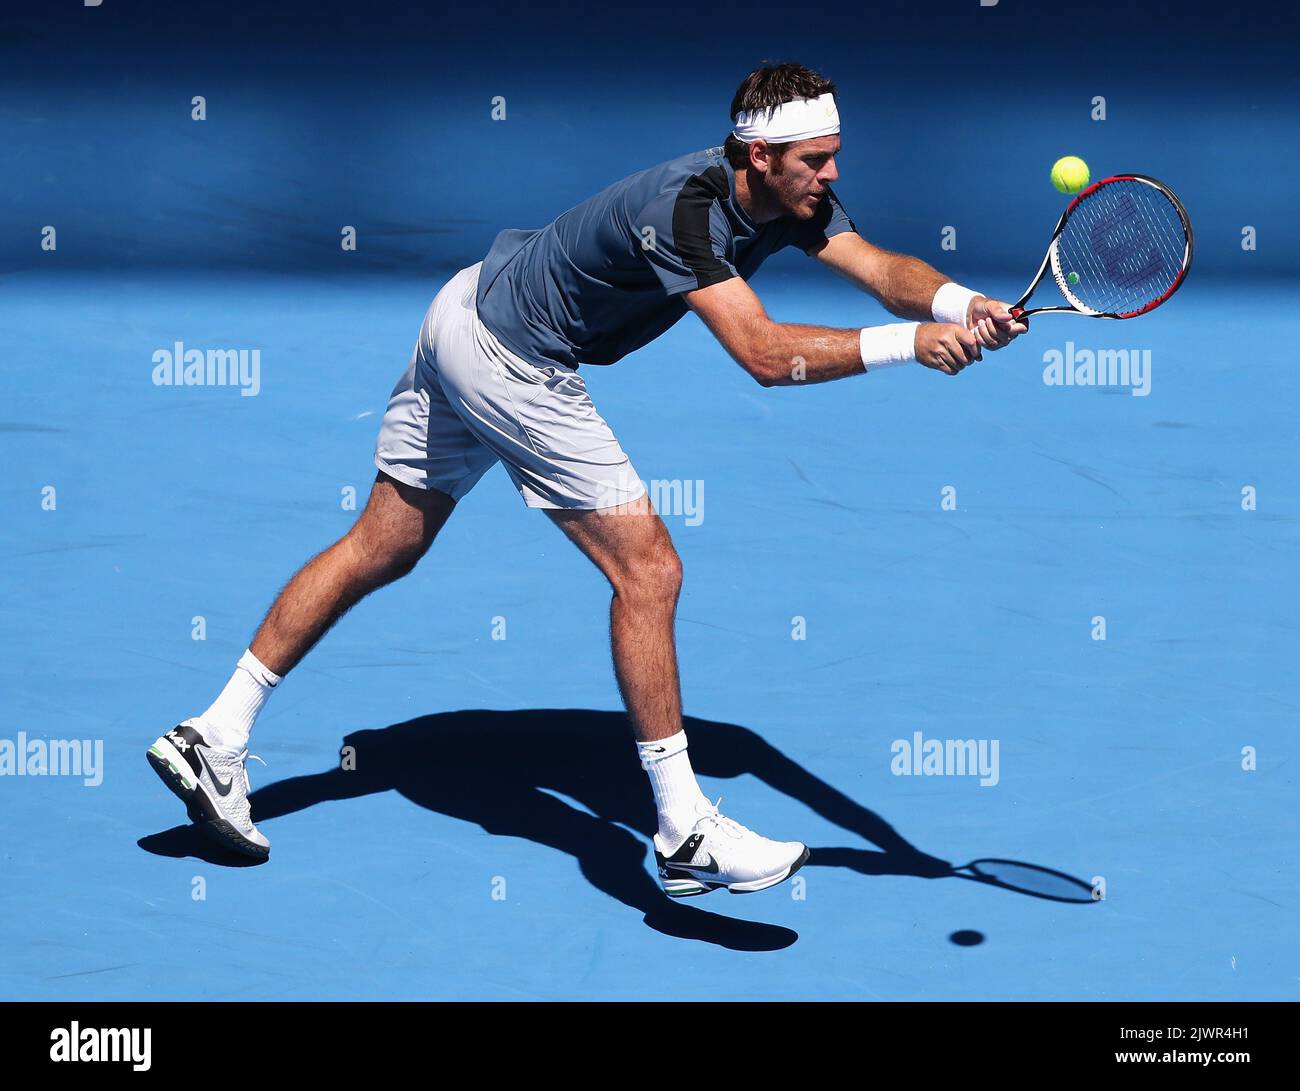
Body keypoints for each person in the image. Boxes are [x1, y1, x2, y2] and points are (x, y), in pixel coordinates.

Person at [147, 61, 1026, 897]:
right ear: (759, 156)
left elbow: (876, 267)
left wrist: (957, 305)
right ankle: (684, 829)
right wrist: (907, 348)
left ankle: (213, 733)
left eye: (834, 154)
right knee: (649, 570)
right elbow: (761, 355)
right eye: (816, 159)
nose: (833, 174)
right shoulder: (688, 210)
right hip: (512, 358)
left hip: (463, 304)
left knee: (384, 543)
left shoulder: (792, 194)